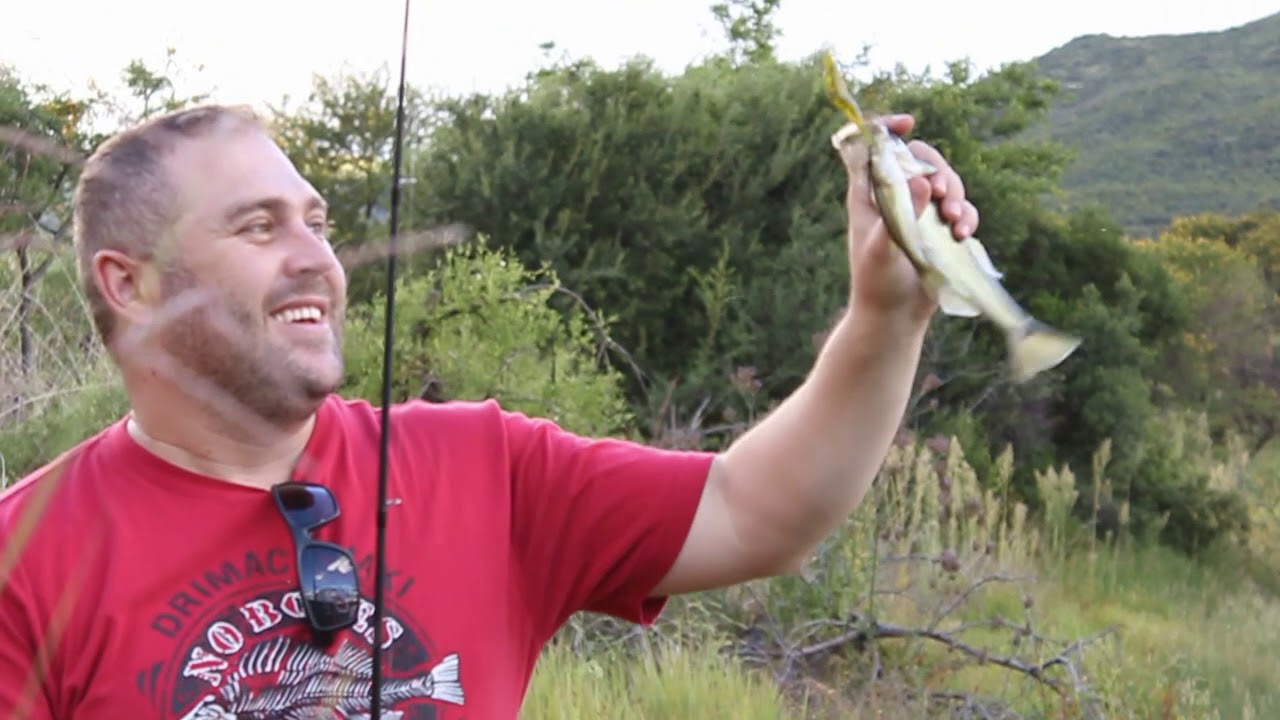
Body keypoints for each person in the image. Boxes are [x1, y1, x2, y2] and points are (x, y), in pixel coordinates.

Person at [0, 102, 978, 719]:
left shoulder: (481, 464)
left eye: (317, 221)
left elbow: (756, 512)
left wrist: (885, 314)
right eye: (258, 226)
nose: (314, 258)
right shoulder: (25, 562)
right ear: (130, 287)